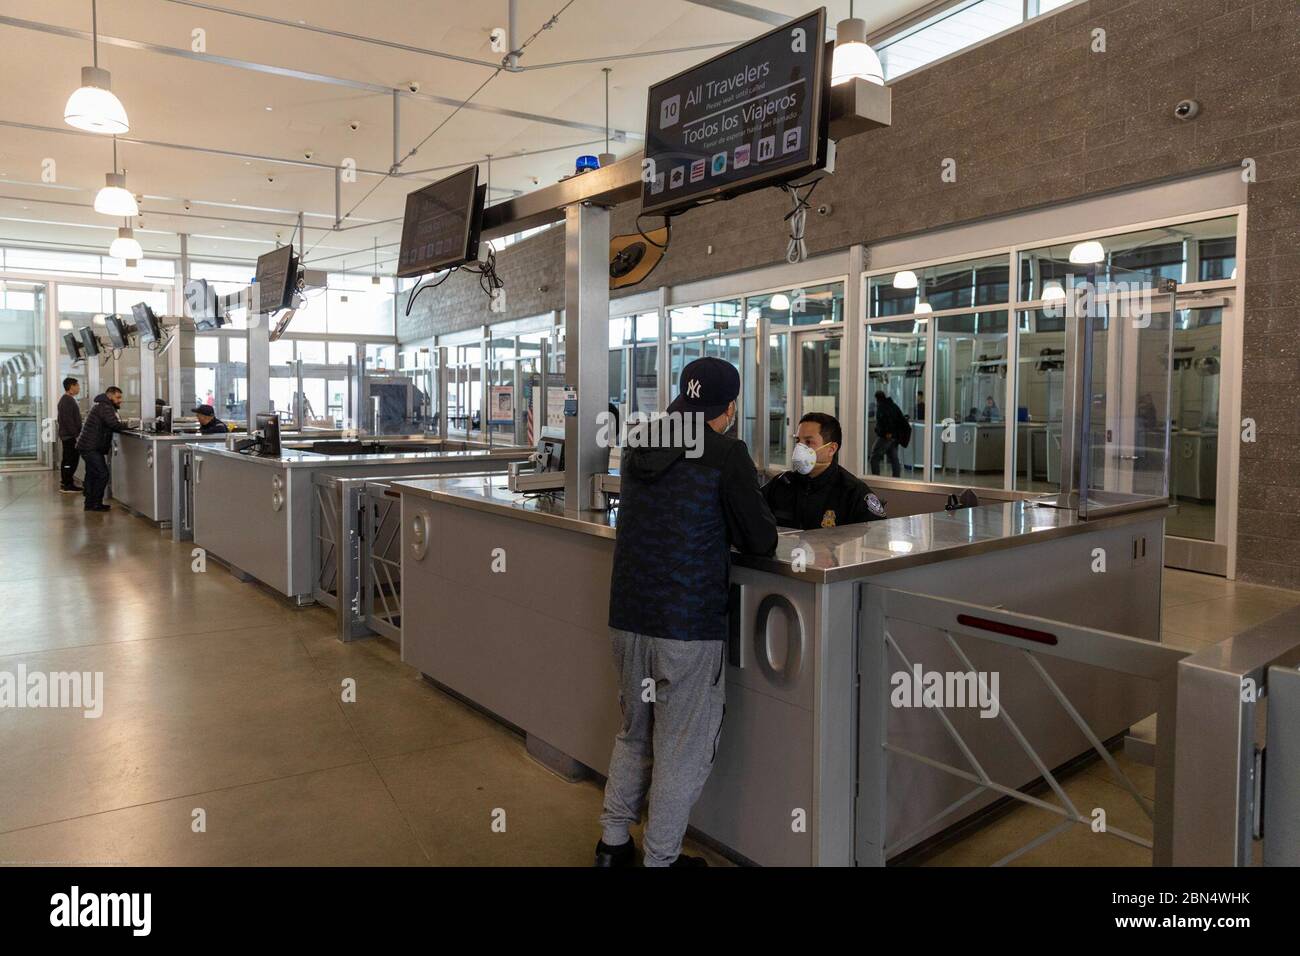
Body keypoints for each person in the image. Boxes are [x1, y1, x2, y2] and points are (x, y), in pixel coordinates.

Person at [597, 357, 777, 868]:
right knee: (680, 745)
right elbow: (760, 539)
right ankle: (661, 860)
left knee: (633, 732)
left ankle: (611, 845)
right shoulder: (725, 452)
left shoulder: (639, 444)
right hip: (687, 623)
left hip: (628, 615)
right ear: (729, 407)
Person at [762, 412, 886, 530]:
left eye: (809, 442)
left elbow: (876, 536)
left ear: (831, 449)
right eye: (798, 441)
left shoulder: (853, 492)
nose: (800, 448)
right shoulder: (781, 484)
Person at [76, 387, 130, 512]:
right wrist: (129, 427)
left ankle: (89, 503)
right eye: (118, 397)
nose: (120, 400)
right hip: (91, 447)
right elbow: (114, 424)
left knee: (92, 474)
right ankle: (96, 503)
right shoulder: (105, 407)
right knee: (102, 474)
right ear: (110, 396)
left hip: (88, 446)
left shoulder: (102, 405)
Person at [869, 390, 908, 478]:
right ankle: (896, 478)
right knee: (894, 458)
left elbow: (885, 422)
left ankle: (876, 478)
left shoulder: (882, 407)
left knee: (874, 457)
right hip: (895, 437)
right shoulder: (893, 406)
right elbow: (900, 419)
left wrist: (887, 432)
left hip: (885, 436)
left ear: (877, 399)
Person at [56, 377, 83, 494]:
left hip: (68, 435)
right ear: (71, 386)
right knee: (69, 461)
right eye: (77, 385)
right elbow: (68, 420)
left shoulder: (67, 399)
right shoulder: (67, 400)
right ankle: (67, 484)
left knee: (68, 460)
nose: (79, 388)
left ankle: (66, 481)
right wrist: (76, 435)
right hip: (69, 437)